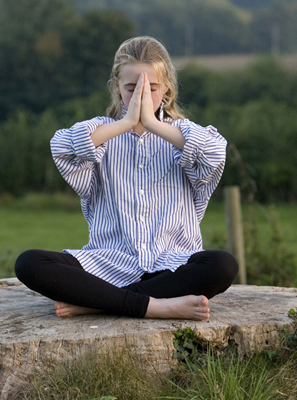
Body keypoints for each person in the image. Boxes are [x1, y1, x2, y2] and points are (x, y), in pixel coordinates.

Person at [14, 36, 238, 321]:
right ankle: (156, 306)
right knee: (30, 263)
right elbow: (62, 146)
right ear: (117, 88)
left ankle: (98, 303)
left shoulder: (183, 134)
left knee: (222, 264)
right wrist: (126, 123)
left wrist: (154, 124)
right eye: (132, 88)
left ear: (166, 88)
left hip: (171, 263)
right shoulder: (102, 132)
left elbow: (215, 153)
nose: (141, 95)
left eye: (152, 88)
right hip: (107, 263)